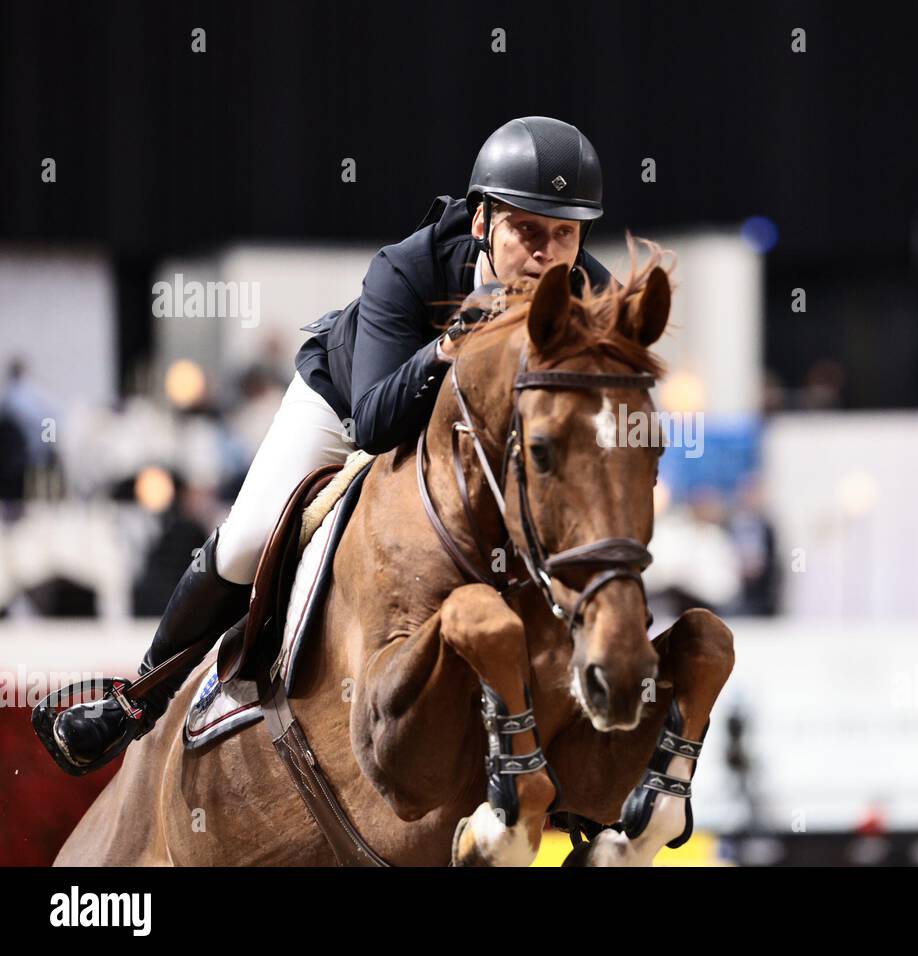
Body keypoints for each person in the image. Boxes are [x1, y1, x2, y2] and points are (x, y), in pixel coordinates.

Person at [49, 117, 611, 773]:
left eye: (563, 235)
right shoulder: (408, 269)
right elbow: (375, 424)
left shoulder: (590, 294)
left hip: (469, 442)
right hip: (348, 402)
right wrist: (451, 344)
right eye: (527, 231)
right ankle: (140, 699)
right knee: (251, 536)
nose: (546, 254)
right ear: (482, 223)